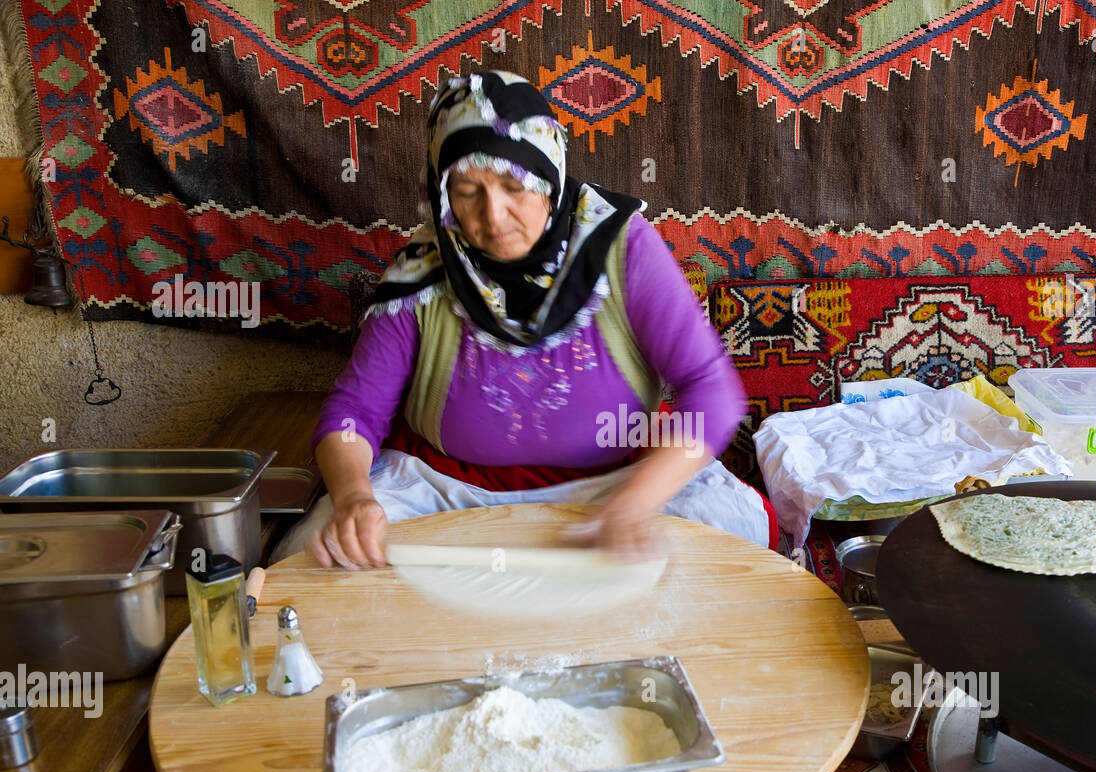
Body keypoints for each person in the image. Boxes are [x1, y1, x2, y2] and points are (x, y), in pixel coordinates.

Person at [269, 70, 772, 570]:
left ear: (550, 177)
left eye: (515, 185)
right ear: (442, 194)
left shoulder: (622, 247)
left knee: (729, 533)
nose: (493, 215)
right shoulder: (421, 272)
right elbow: (356, 410)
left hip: (619, 481)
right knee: (316, 558)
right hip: (444, 491)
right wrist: (356, 497)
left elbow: (711, 390)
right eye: (467, 190)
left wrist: (635, 504)